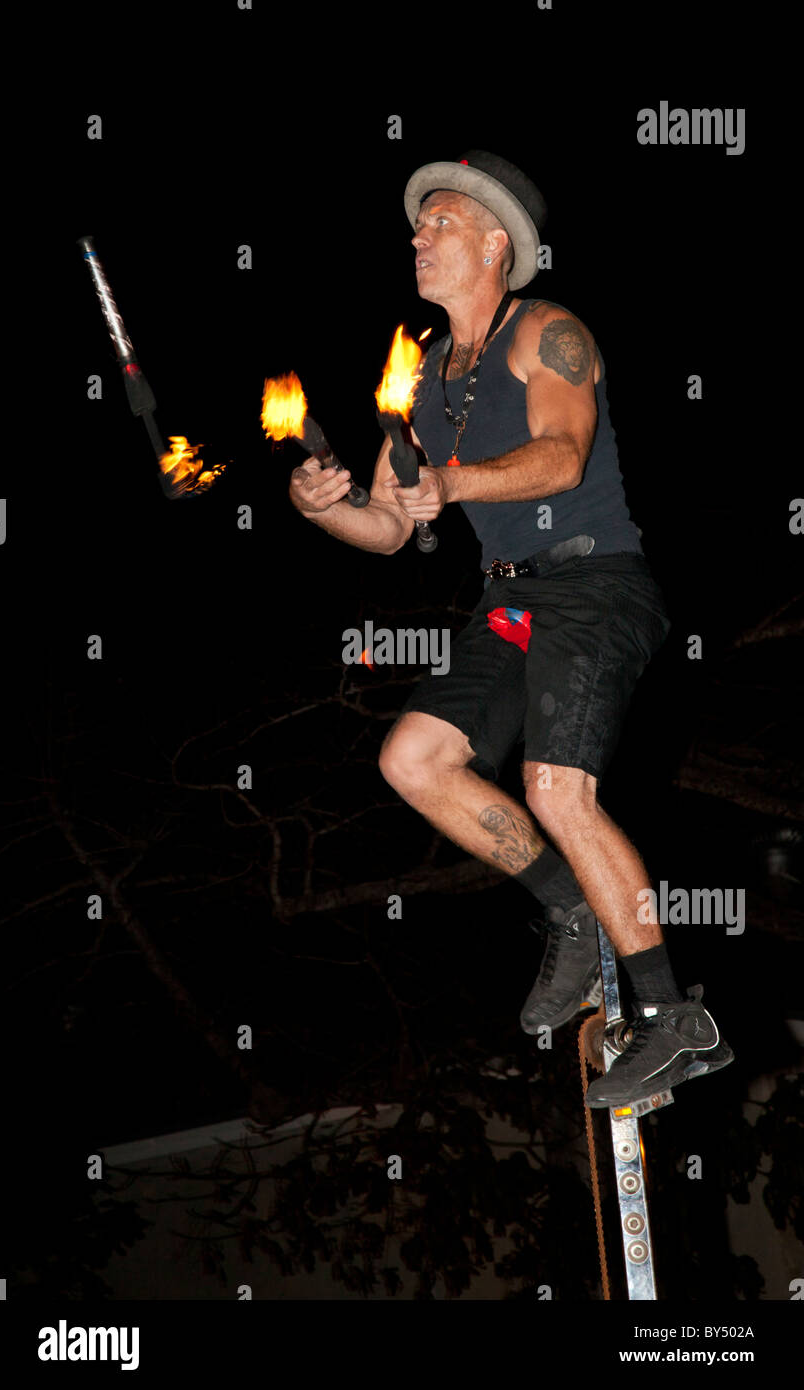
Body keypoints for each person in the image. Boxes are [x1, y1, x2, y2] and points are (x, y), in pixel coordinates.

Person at [288, 149, 733, 1107]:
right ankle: (572, 910)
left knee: (557, 787)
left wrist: (450, 483)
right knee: (412, 760)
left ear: (496, 243)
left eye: (437, 222)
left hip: (595, 584)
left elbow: (563, 459)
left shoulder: (549, 333)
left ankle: (673, 1019)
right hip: (512, 603)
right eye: (417, 226)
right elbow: (385, 521)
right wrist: (320, 504)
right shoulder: (416, 377)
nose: (418, 238)